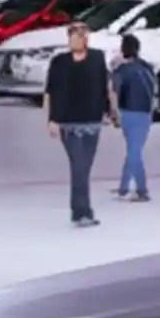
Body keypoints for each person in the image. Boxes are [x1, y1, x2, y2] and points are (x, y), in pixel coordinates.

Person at [45, 21, 119, 228]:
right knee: (78, 167)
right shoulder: (59, 62)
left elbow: (104, 86)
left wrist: (112, 111)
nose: (78, 38)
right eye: (74, 35)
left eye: (82, 34)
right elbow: (51, 91)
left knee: (84, 168)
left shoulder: (97, 58)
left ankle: (81, 210)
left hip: (92, 121)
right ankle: (81, 212)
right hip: (68, 123)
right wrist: (51, 119)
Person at [110, 33, 156, 202]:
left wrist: (113, 113)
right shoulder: (147, 67)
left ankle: (142, 190)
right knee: (133, 150)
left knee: (133, 152)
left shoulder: (121, 70)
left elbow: (114, 92)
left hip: (127, 112)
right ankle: (123, 187)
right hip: (145, 112)